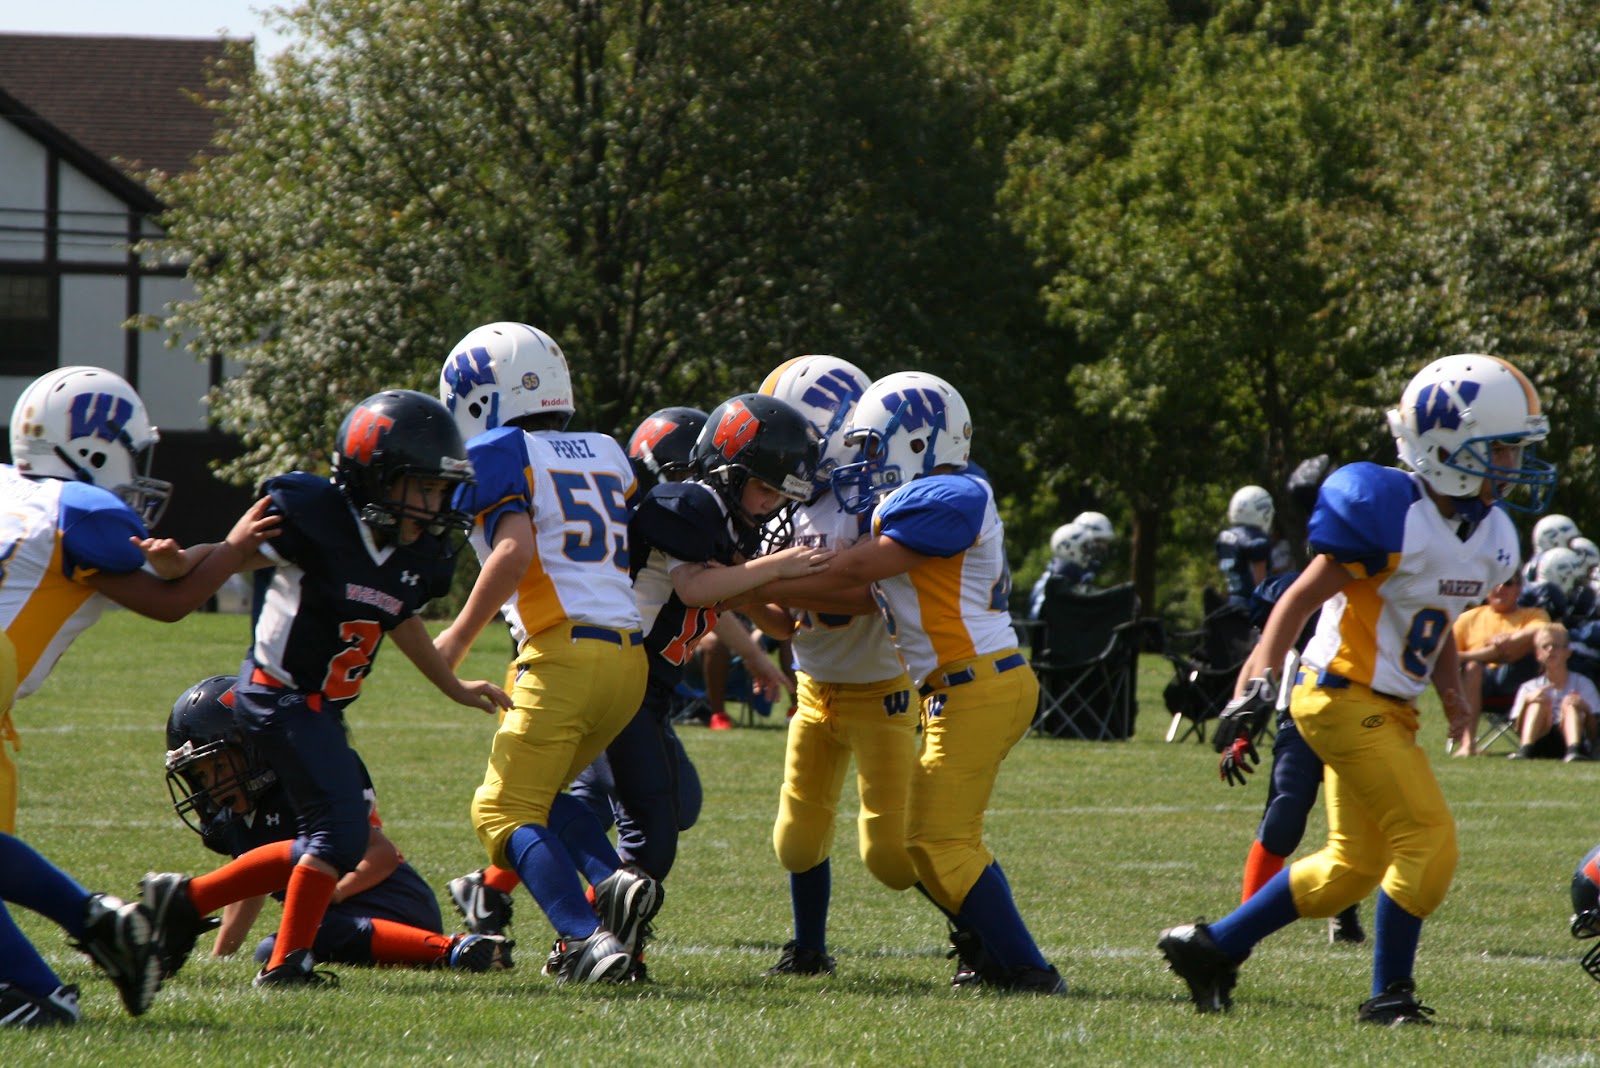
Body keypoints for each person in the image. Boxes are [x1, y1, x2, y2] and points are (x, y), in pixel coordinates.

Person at [1158, 352, 1557, 1025]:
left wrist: (1454, 695)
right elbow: (1293, 605)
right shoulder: (1386, 508)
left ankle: (1211, 947)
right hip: (1337, 693)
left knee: (1353, 864)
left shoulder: (1489, 533)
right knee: (1428, 838)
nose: (1514, 467)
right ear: (1447, 449)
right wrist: (1253, 686)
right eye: (1504, 450)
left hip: (1384, 703)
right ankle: (1389, 995)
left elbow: (1430, 619)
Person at [142, 389, 513, 991]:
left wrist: (452, 683)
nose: (435, 502)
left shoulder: (409, 556)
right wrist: (180, 563)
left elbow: (401, 619)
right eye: (422, 486)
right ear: (375, 477)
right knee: (339, 834)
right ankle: (207, 914)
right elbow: (235, 555)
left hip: (318, 708)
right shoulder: (317, 517)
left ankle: (261, 946)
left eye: (440, 489)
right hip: (277, 693)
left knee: (328, 836)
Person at [753, 370, 1064, 994]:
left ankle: (1027, 970)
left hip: (977, 682)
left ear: (919, 440)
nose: (863, 460)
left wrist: (746, 579)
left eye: (874, 445)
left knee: (935, 841)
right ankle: (1003, 960)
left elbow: (860, 569)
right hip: (957, 685)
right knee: (931, 842)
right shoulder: (934, 492)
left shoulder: (954, 493)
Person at [0, 365, 282, 1026]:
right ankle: (96, 928)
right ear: (93, 447)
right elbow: (175, 599)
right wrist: (238, 547)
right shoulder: (82, 508)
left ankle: (49, 980)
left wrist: (234, 552)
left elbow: (170, 580)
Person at [431, 321, 670, 985]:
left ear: (479, 396)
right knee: (544, 798)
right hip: (626, 660)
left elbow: (513, 552)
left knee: (499, 811)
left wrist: (453, 636)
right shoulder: (606, 449)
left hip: (562, 653)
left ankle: (584, 936)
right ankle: (611, 883)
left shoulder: (501, 450)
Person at [739, 353, 919, 978]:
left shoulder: (881, 498)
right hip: (815, 687)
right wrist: (748, 592)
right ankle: (808, 948)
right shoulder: (789, 500)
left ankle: (973, 935)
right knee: (796, 837)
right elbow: (783, 625)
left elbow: (874, 597)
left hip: (883, 689)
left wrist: (774, 584)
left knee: (894, 856)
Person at [162, 675, 512, 971]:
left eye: (220, 768)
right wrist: (221, 954)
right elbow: (249, 885)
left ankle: (454, 949)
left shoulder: (299, 791)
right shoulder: (239, 816)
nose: (212, 785)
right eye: (202, 775)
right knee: (272, 950)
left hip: (396, 901)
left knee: (309, 933)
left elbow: (382, 853)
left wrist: (335, 891)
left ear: (254, 751)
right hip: (336, 917)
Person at [1449, 572, 1549, 756]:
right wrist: (1489, 655)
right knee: (1472, 667)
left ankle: (1478, 657)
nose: (1501, 588)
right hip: (1478, 682)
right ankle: (1467, 745)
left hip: (1517, 680)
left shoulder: (1533, 614)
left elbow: (1542, 632)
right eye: (1496, 582)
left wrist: (1510, 639)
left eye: (1508, 583)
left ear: (1519, 589)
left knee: (1527, 642)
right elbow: (1449, 656)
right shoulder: (1468, 618)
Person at [1504, 623, 1597, 761]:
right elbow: (1518, 729)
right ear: (1538, 654)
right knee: (1537, 703)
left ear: (1568, 652)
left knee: (1570, 704)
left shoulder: (1583, 684)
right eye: (1545, 646)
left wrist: (1585, 709)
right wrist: (1526, 703)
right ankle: (1525, 750)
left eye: (1556, 645)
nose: (1551, 649)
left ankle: (1574, 751)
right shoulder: (1528, 687)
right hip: (1540, 740)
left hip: (1572, 738)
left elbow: (1594, 733)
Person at [1217, 486, 1274, 611]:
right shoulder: (1256, 540)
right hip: (1250, 606)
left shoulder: (1224, 537)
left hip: (1233, 604)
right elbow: (1260, 582)